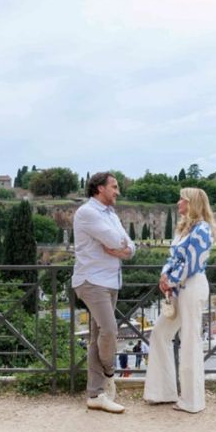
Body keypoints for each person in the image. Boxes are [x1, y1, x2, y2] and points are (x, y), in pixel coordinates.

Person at [143, 188, 215, 413]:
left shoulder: (202, 229)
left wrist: (170, 279)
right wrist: (164, 276)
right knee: (160, 334)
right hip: (178, 288)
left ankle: (193, 401)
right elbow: (173, 258)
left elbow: (191, 263)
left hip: (192, 287)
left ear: (191, 202)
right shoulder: (184, 229)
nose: (178, 202)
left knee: (190, 341)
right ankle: (163, 391)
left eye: (182, 199)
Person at [73, 172, 136, 414]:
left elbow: (129, 246)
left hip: (111, 280)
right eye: (114, 187)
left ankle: (95, 394)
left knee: (97, 338)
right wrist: (121, 246)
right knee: (109, 331)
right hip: (92, 280)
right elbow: (115, 239)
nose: (117, 191)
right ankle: (109, 372)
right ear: (100, 188)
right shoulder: (88, 212)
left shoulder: (110, 214)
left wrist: (124, 249)